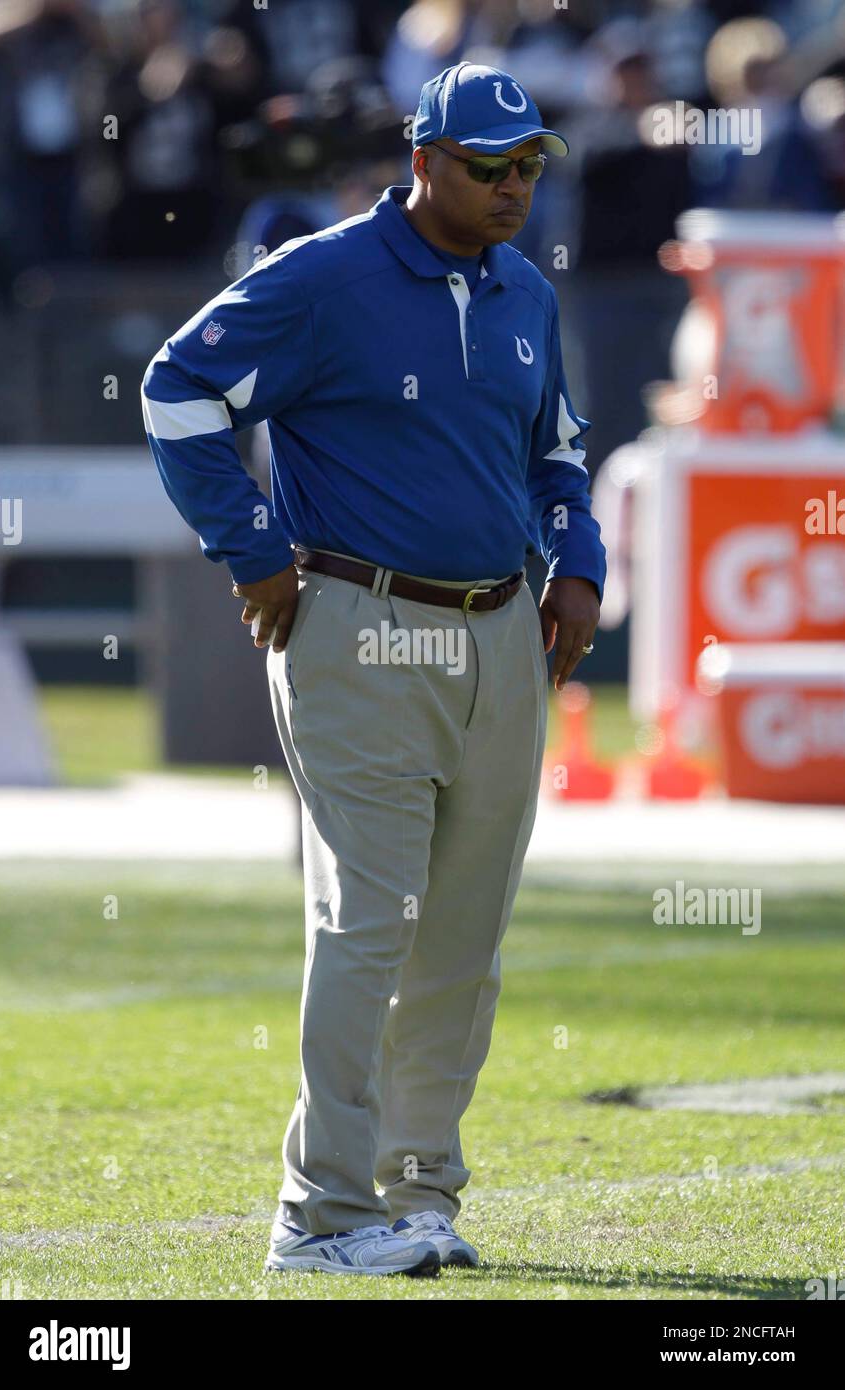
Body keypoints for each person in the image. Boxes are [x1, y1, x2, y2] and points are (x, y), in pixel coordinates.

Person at [142, 61, 606, 1279]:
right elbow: (176, 391)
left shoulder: (522, 293)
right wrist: (249, 552)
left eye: (527, 167)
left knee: (461, 938)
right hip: (356, 622)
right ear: (423, 160)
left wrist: (579, 565)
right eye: (486, 167)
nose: (512, 189)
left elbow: (556, 451)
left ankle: (416, 1193)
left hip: (504, 630)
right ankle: (321, 1212)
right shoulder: (322, 275)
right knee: (368, 922)